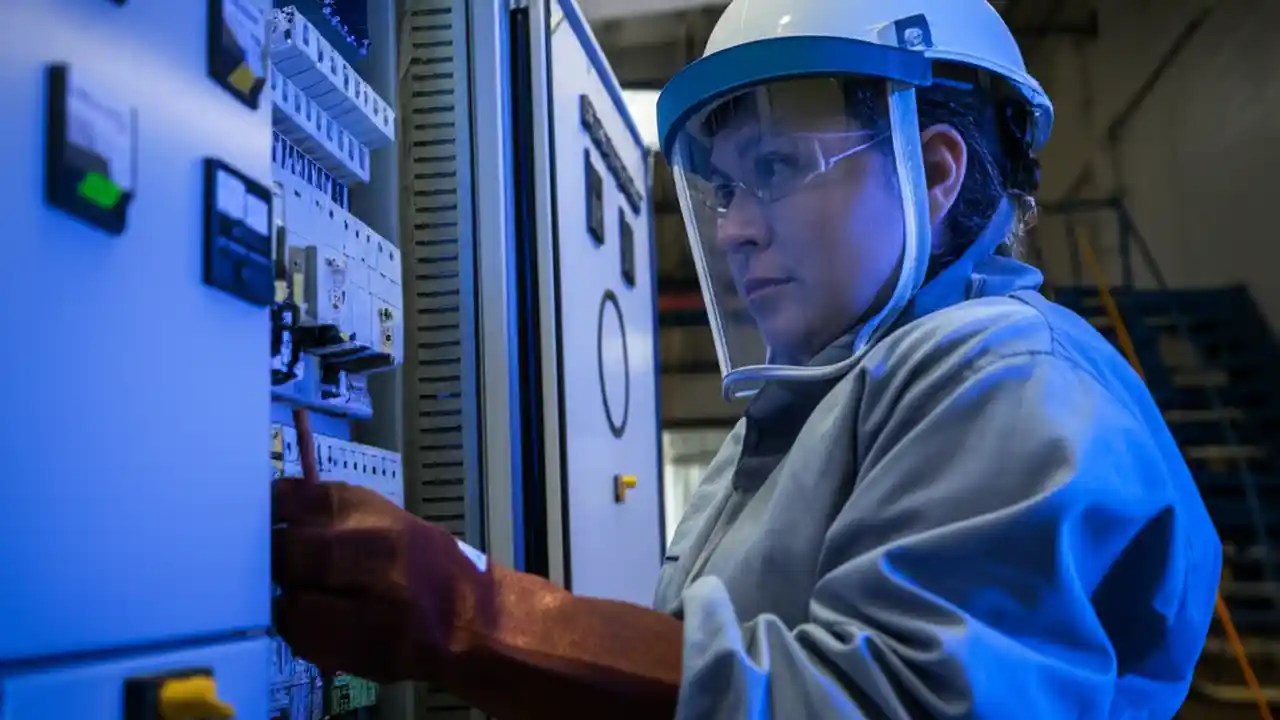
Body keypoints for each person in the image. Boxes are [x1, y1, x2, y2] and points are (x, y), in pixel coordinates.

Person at [272, 1, 1223, 717]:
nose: (729, 231)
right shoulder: (819, 401)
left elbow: (887, 703)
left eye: (772, 169)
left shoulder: (1012, 378)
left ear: (935, 171)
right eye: (723, 187)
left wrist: (474, 616)